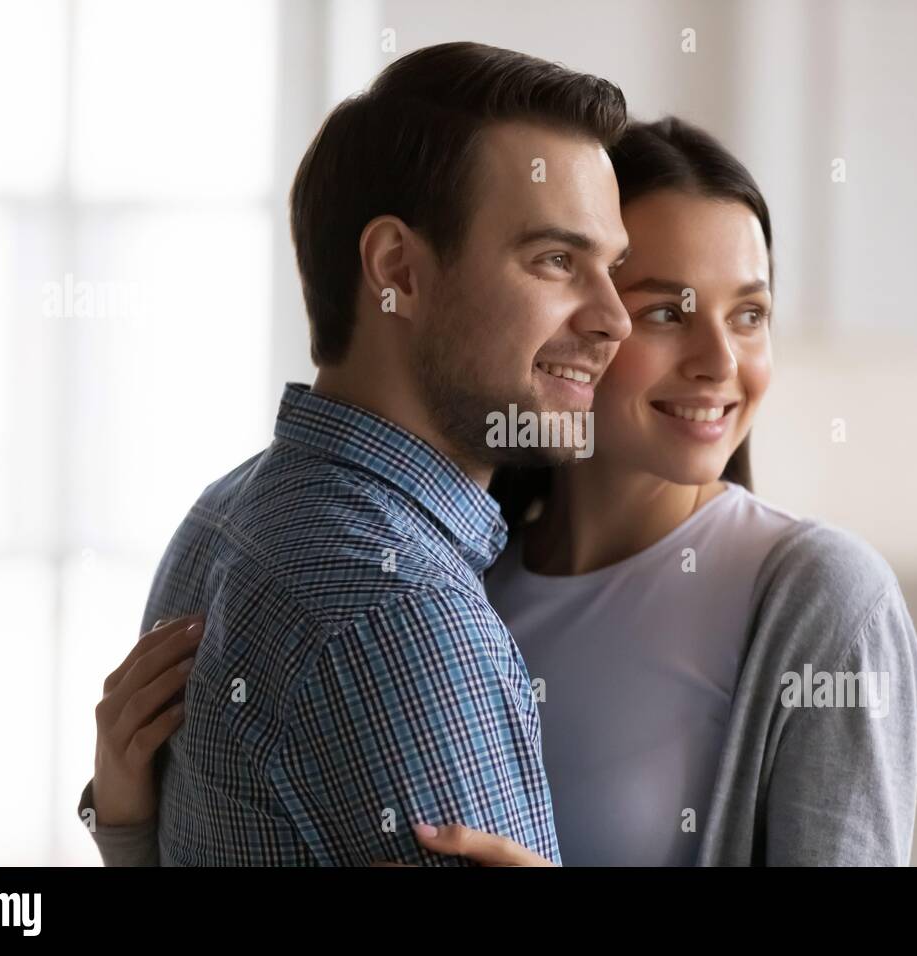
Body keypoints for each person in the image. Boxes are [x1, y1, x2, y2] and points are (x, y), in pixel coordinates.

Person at [84, 101, 917, 869]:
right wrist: (130, 825)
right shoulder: (449, 575)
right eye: (664, 310)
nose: (719, 363)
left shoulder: (822, 602)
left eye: (749, 314)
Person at [79, 40, 633, 866]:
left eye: (613, 269)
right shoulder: (405, 612)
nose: (613, 319)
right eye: (557, 260)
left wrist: (122, 835)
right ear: (397, 270)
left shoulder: (223, 515)